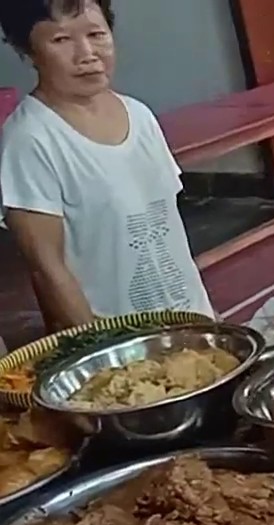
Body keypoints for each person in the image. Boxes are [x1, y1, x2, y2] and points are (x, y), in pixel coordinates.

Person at [0, 0, 214, 331]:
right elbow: (47, 269)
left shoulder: (140, 116)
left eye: (96, 34)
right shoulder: (30, 140)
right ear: (28, 51)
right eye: (61, 40)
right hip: (119, 347)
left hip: (192, 327)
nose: (87, 53)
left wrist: (209, 320)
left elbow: (167, 233)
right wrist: (102, 353)